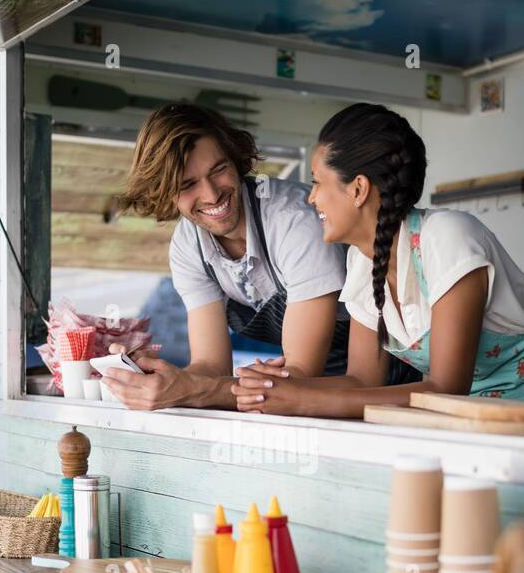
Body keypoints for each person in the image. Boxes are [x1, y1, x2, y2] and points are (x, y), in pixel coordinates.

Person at [232, 102, 524, 417]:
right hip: (488, 413)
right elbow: (363, 380)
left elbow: (447, 387)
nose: (311, 198)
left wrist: (308, 400)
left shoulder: (447, 236)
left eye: (317, 182)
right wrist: (280, 388)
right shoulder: (362, 263)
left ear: (359, 189)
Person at [101, 104, 350, 410]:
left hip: (367, 387)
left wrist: (193, 390)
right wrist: (164, 381)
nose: (211, 195)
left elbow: (297, 379)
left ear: (235, 158)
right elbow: (210, 366)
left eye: (218, 170)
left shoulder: (294, 222)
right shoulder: (188, 245)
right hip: (299, 399)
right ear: (165, 192)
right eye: (187, 185)